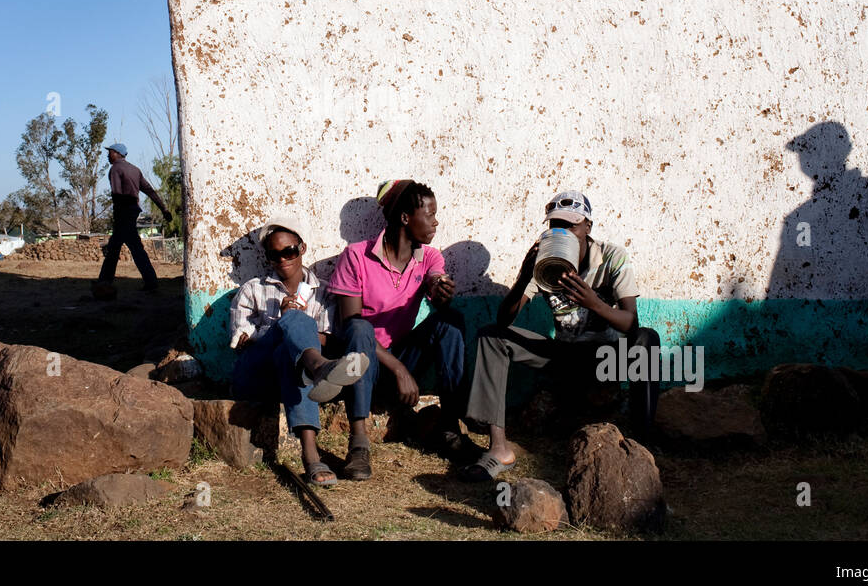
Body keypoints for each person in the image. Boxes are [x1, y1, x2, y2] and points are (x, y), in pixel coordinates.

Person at [460, 189, 659, 481]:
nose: (562, 232)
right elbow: (505, 320)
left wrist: (595, 303)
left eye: (570, 226)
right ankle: (499, 449)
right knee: (492, 336)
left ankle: (643, 443)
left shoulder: (611, 256)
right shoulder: (546, 263)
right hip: (563, 355)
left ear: (587, 227)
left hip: (606, 358)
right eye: (555, 226)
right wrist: (525, 276)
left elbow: (631, 322)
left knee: (647, 338)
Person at [326, 180, 479, 479]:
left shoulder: (429, 257)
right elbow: (350, 325)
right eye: (430, 213)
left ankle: (449, 430)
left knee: (451, 322)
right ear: (406, 218)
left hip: (403, 355)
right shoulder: (356, 256)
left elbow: (436, 281)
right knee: (358, 328)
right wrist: (399, 369)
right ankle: (358, 445)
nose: (436, 221)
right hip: (363, 363)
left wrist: (440, 289)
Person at [229, 215, 373, 486]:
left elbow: (333, 338)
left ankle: (310, 456)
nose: (283, 260)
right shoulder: (252, 290)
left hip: (291, 371)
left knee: (292, 355)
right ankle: (319, 366)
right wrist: (282, 324)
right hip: (255, 375)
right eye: (275, 255)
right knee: (294, 325)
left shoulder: (325, 293)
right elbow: (241, 341)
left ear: (302, 248)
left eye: (289, 251)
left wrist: (296, 336)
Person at [97, 142, 171, 294]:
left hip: (123, 213)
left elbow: (116, 194)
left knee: (117, 249)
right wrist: (164, 209)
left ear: (117, 153)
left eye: (109, 152)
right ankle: (150, 281)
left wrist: (117, 217)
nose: (107, 155)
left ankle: (104, 283)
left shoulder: (115, 168)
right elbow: (150, 190)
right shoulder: (135, 170)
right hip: (132, 212)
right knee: (128, 248)